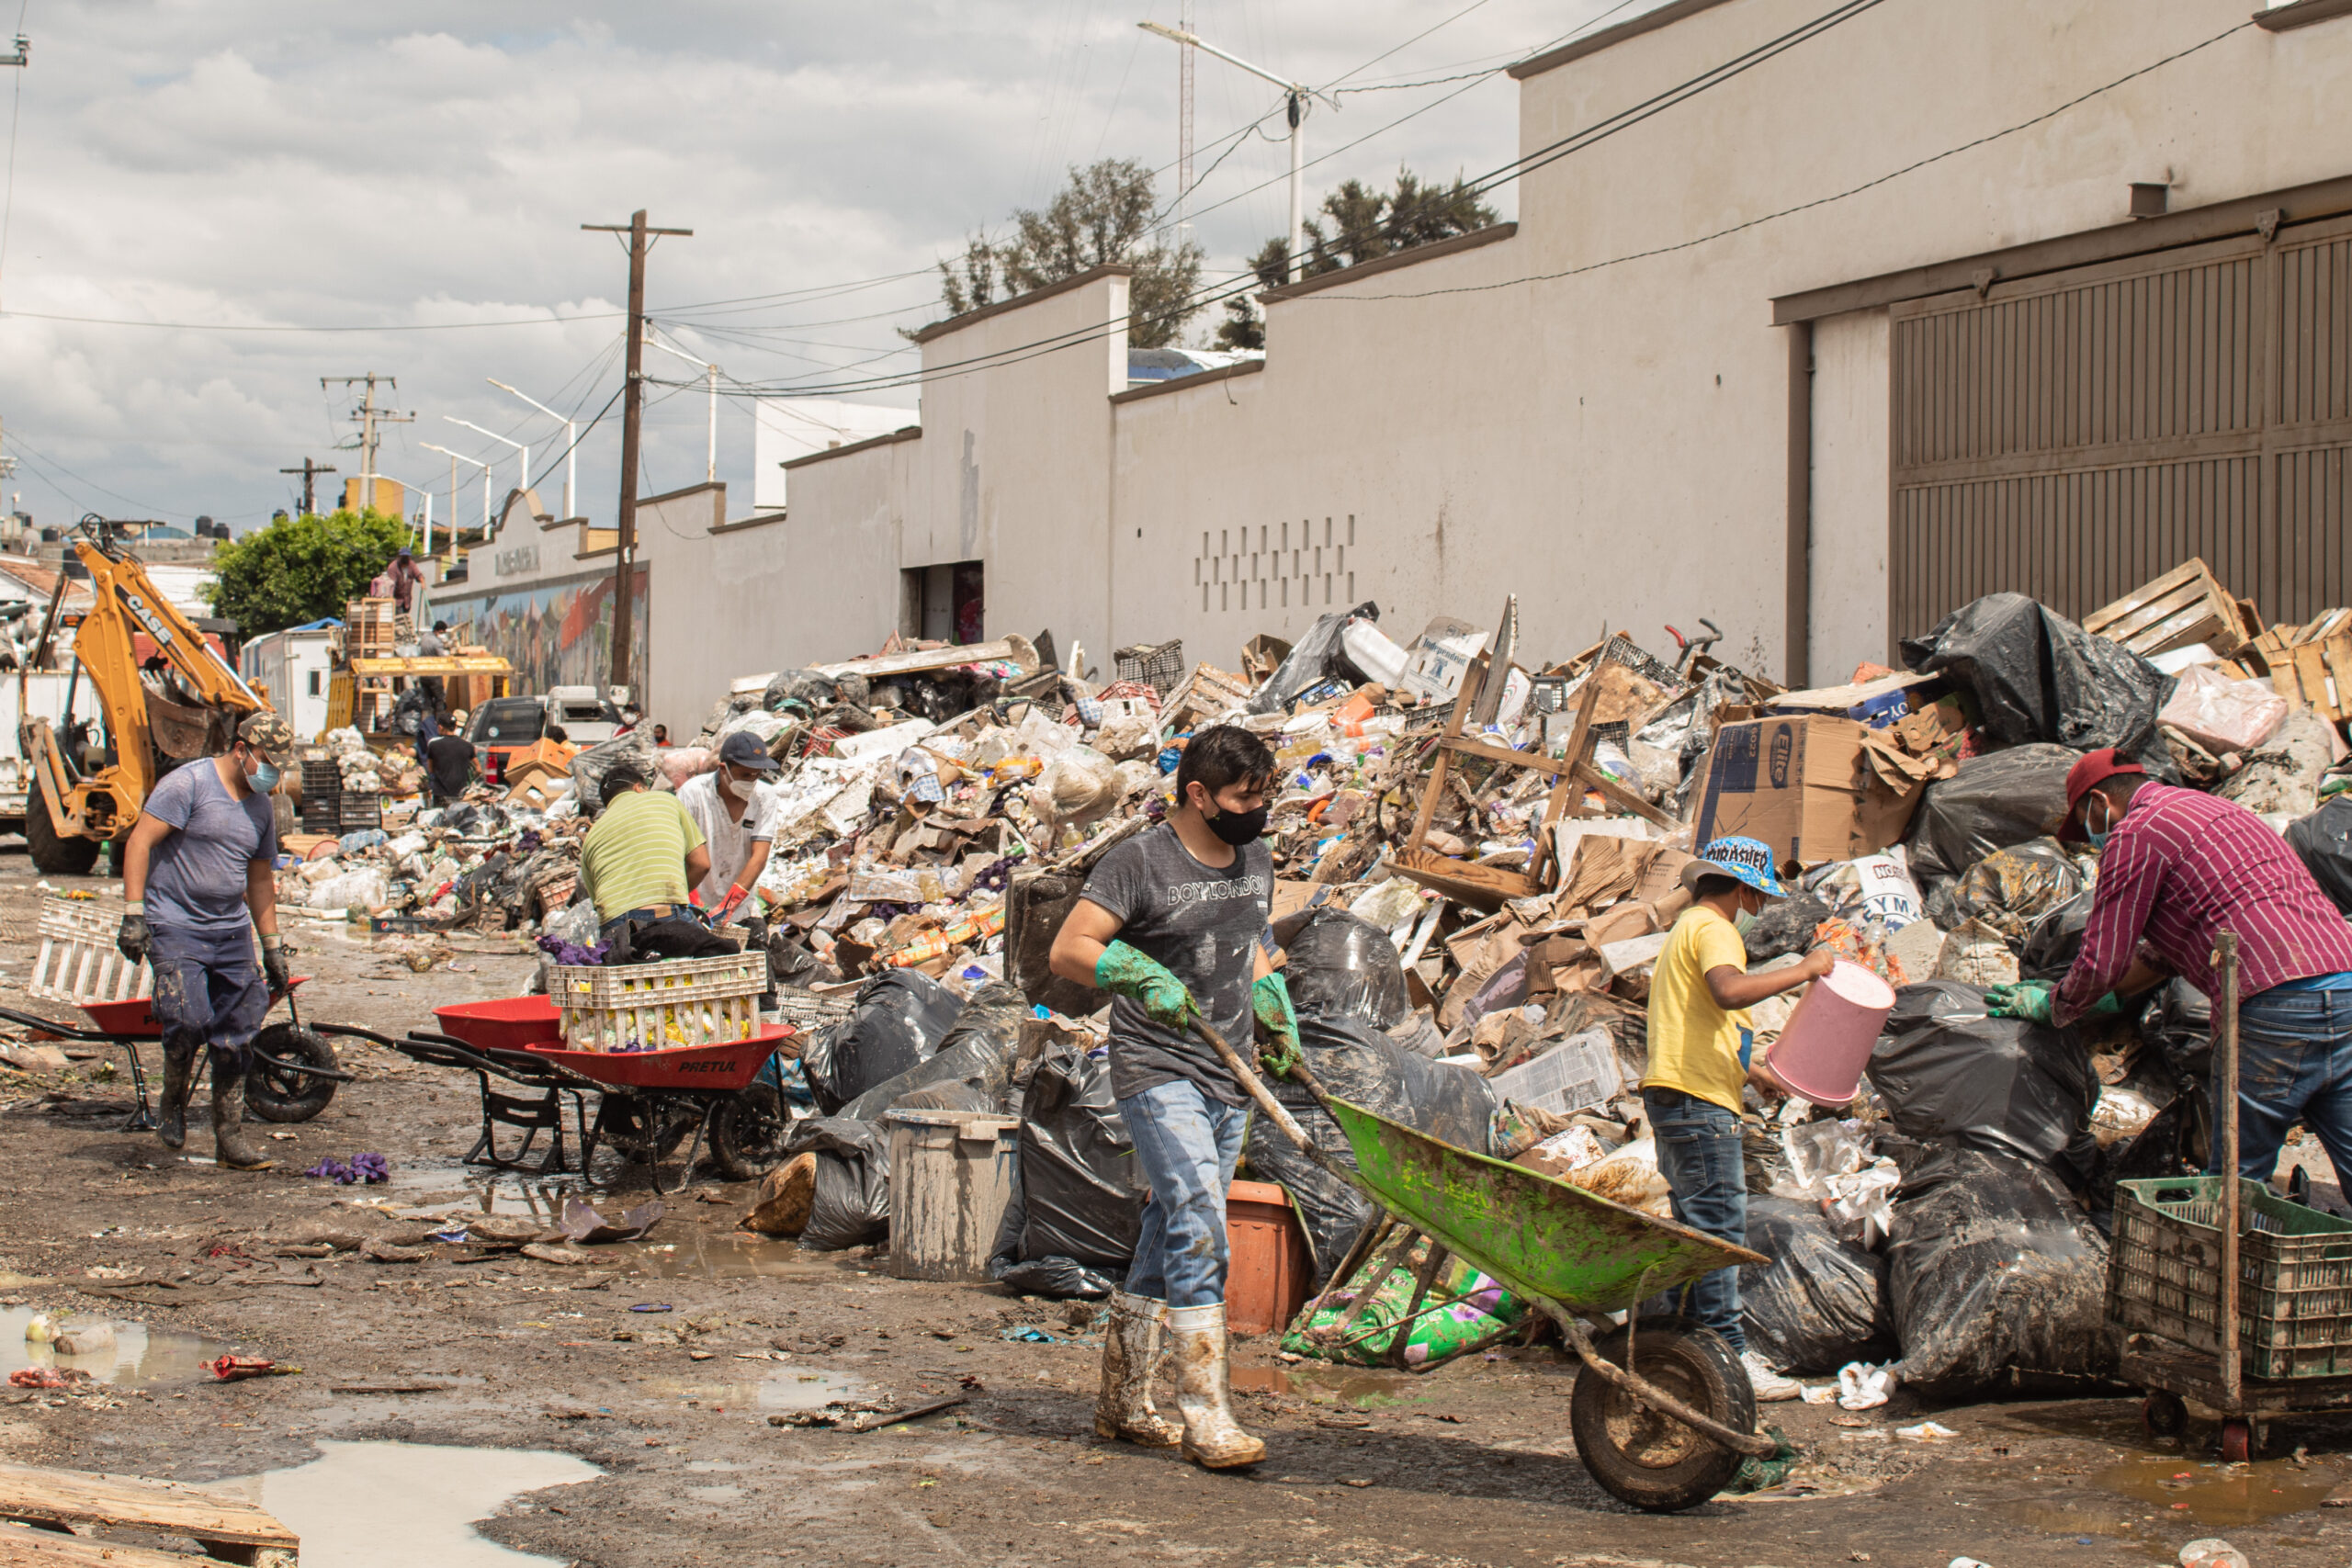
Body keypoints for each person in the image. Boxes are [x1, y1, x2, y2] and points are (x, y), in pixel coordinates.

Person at [1048, 725, 1298, 1471]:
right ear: (1197, 794)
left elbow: (1247, 936)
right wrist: (1134, 971)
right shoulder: (1139, 861)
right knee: (1197, 1217)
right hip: (1159, 1068)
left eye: (1264, 793)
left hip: (1230, 1070)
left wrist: (1269, 994)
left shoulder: (1255, 854)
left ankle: (1123, 1400)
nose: (1259, 808)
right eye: (1244, 796)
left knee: (1170, 1222)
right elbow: (1070, 949)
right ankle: (1207, 1411)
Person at [1993, 749, 2352, 1184]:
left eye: (2086, 825)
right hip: (2343, 985)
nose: (2091, 840)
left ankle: (2233, 1245)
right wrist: (2111, 998)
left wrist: (2054, 1003)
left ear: (2099, 803)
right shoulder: (2218, 811)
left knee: (2237, 1180)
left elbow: (2103, 956)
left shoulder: (2135, 833)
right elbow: (2166, 955)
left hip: (2272, 1003)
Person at [1640, 836, 1833, 1403]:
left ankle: (1693, 1355)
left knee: (1698, 1233)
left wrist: (1756, 1075)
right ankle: (1732, 1358)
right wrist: (1806, 968)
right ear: (1745, 889)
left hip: (1679, 1094)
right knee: (1721, 1233)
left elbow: (1705, 1021)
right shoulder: (1715, 928)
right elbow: (1728, 993)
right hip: (1698, 1102)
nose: (1760, 908)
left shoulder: (1687, 930)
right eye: (1759, 896)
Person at [114, 712, 297, 1170]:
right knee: (188, 1017)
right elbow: (138, 843)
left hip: (230, 930)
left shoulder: (260, 807)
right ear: (241, 750)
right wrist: (134, 914)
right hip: (175, 924)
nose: (272, 772)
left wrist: (271, 945)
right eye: (266, 760)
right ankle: (173, 1101)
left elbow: (258, 880)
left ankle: (229, 1138)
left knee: (238, 1032)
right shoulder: (188, 785)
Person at [577, 758, 708, 944]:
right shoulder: (666, 801)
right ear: (639, 788)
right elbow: (701, 864)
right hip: (667, 915)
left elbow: (598, 904)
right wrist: (672, 894)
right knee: (711, 959)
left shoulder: (591, 836)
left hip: (616, 926)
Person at [677, 731, 781, 929]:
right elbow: (681, 853)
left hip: (740, 905)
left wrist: (729, 905)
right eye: (745, 775)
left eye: (756, 775)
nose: (751, 781)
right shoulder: (693, 793)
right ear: (724, 769)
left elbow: (758, 858)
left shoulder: (764, 797)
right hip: (697, 904)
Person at [424, 711, 476, 806]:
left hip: (441, 796)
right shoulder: (468, 746)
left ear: (440, 727)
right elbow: (479, 769)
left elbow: (431, 769)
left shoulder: (434, 745)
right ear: (455, 727)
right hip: (462, 795)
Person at [387, 547, 424, 614]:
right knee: (401, 620)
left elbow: (418, 575)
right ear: (399, 557)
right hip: (397, 601)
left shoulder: (411, 565)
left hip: (407, 601)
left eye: (407, 557)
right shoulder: (393, 568)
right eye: (403, 557)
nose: (405, 559)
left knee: (405, 618)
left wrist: (422, 582)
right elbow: (391, 585)